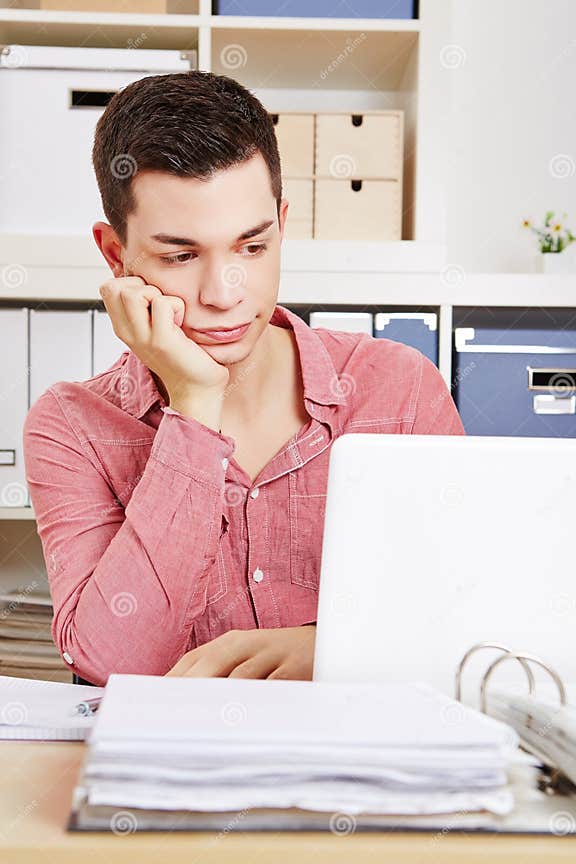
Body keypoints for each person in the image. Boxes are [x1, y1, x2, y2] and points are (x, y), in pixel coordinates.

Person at [23, 70, 465, 687]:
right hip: (173, 775)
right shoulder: (72, 425)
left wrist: (327, 649)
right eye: (181, 256)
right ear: (115, 254)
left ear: (281, 223)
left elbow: (470, 621)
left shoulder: (401, 388)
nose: (224, 295)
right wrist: (196, 402)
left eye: (252, 248)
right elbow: (113, 665)